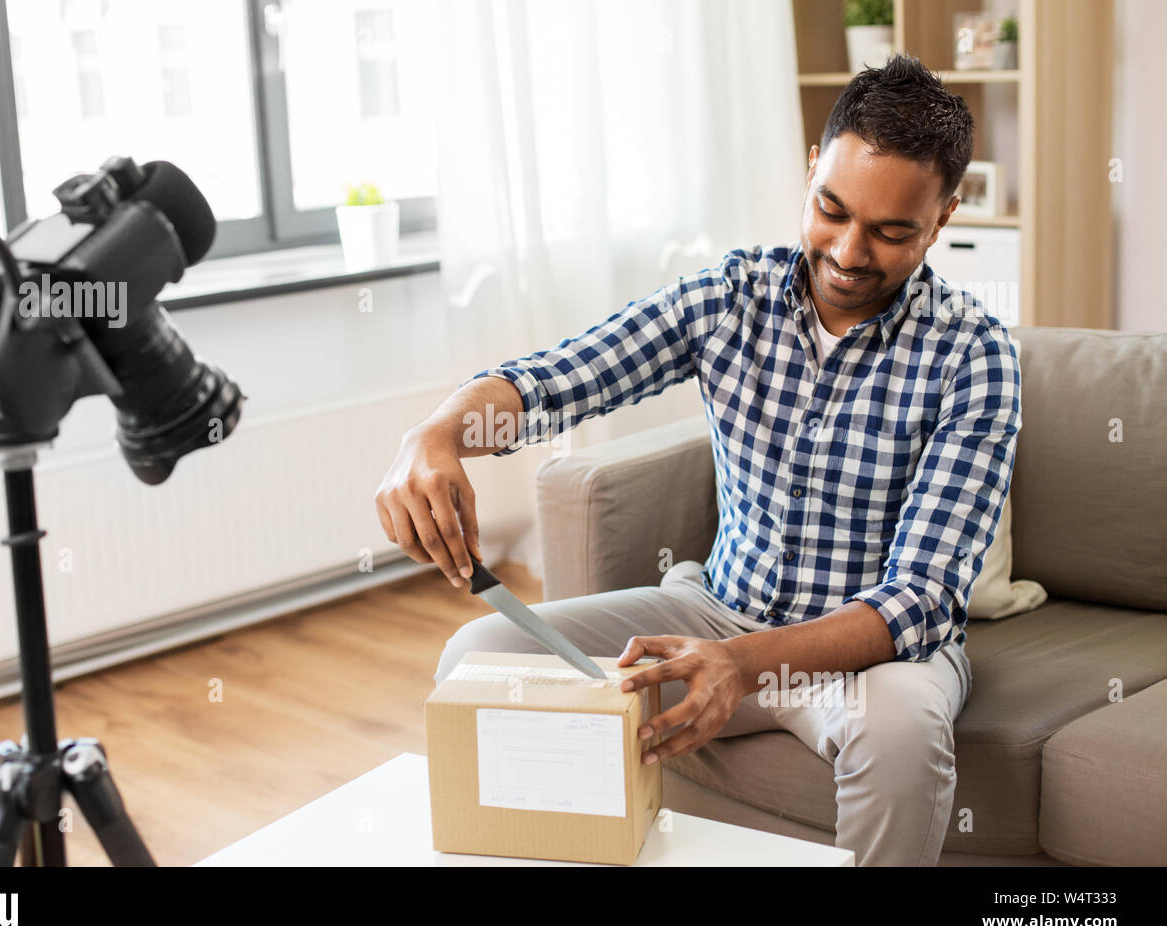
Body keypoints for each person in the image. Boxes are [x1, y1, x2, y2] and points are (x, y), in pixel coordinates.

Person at [374, 54, 1019, 866]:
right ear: (810, 171)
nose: (850, 252)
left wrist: (741, 665)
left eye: (892, 231)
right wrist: (434, 436)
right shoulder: (730, 297)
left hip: (869, 653)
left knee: (900, 739)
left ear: (944, 214)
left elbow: (923, 599)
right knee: (478, 659)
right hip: (719, 610)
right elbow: (559, 380)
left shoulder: (973, 353)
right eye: (832, 210)